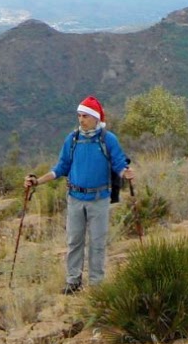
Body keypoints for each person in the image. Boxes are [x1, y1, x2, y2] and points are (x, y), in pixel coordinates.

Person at [24, 95, 134, 294]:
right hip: (75, 198)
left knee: (97, 243)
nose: (81, 120)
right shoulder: (73, 139)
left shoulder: (108, 139)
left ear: (95, 118)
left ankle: (96, 285)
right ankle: (73, 281)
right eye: (79, 116)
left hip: (99, 199)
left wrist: (125, 173)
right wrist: (37, 182)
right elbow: (61, 167)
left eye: (85, 116)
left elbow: (119, 163)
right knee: (74, 241)